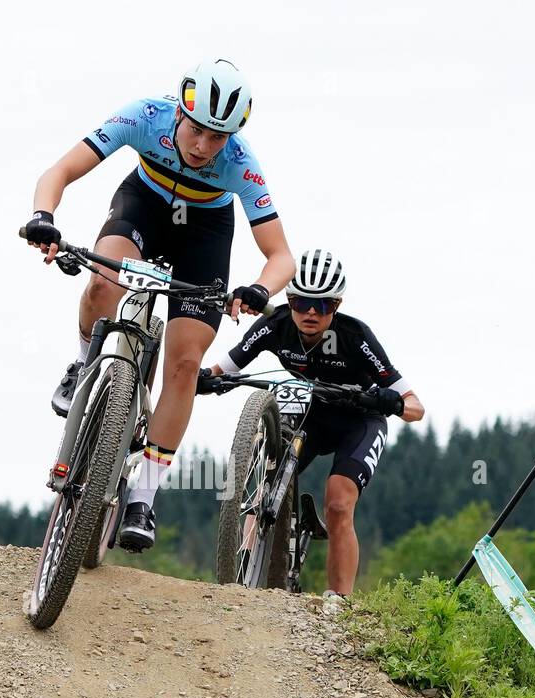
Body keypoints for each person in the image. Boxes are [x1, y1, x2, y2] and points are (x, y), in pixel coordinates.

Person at [24, 59, 295, 551]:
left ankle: (143, 497)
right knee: (103, 283)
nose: (203, 146)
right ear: (179, 110)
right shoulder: (145, 115)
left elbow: (281, 256)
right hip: (142, 205)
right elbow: (60, 170)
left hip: (206, 235)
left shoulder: (240, 161)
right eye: (197, 131)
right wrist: (43, 216)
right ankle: (84, 364)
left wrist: (259, 288)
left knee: (186, 361)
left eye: (218, 138)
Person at [199, 249, 425, 607]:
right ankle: (243, 561)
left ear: (335, 306)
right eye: (301, 302)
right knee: (264, 481)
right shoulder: (276, 326)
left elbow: (416, 408)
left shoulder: (356, 336)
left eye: (321, 306)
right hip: (311, 413)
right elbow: (225, 366)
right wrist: (200, 381)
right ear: (288, 300)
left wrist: (392, 402)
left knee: (337, 502)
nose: (309, 313)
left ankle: (340, 601)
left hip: (359, 421)